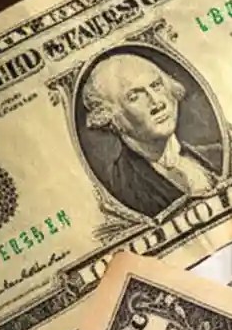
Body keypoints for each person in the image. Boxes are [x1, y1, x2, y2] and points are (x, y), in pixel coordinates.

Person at [80, 53, 222, 217]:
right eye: (134, 97)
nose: (157, 102)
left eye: (156, 86)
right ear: (111, 118)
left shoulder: (216, 154)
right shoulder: (124, 189)